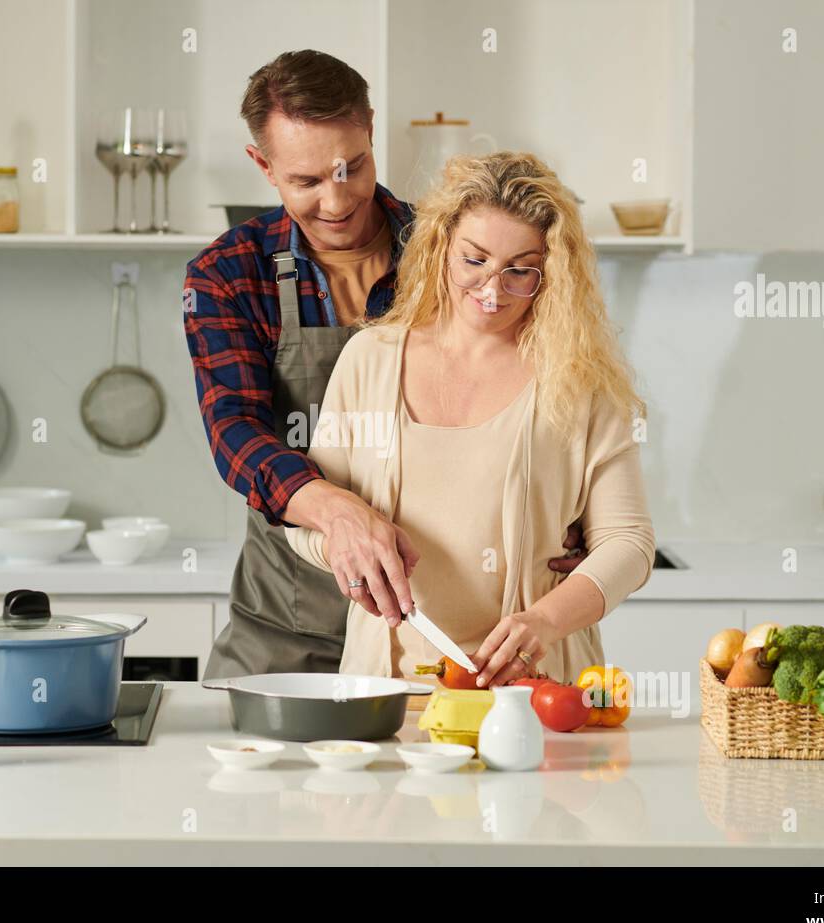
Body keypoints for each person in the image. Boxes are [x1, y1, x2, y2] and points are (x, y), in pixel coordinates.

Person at [184, 51, 586, 679]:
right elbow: (235, 430)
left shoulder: (454, 250)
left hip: (435, 633)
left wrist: (569, 510)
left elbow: (548, 379)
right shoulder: (229, 272)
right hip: (288, 620)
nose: (337, 200)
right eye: (306, 181)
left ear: (371, 128)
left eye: (352, 168)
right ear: (262, 166)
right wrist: (337, 511)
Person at [285, 152, 655, 686]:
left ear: (551, 273)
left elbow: (629, 542)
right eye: (474, 260)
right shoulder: (370, 358)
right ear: (441, 249)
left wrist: (546, 621)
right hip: (388, 689)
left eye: (520, 270)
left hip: (536, 689)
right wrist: (344, 551)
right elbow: (310, 523)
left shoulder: (578, 381)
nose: (491, 290)